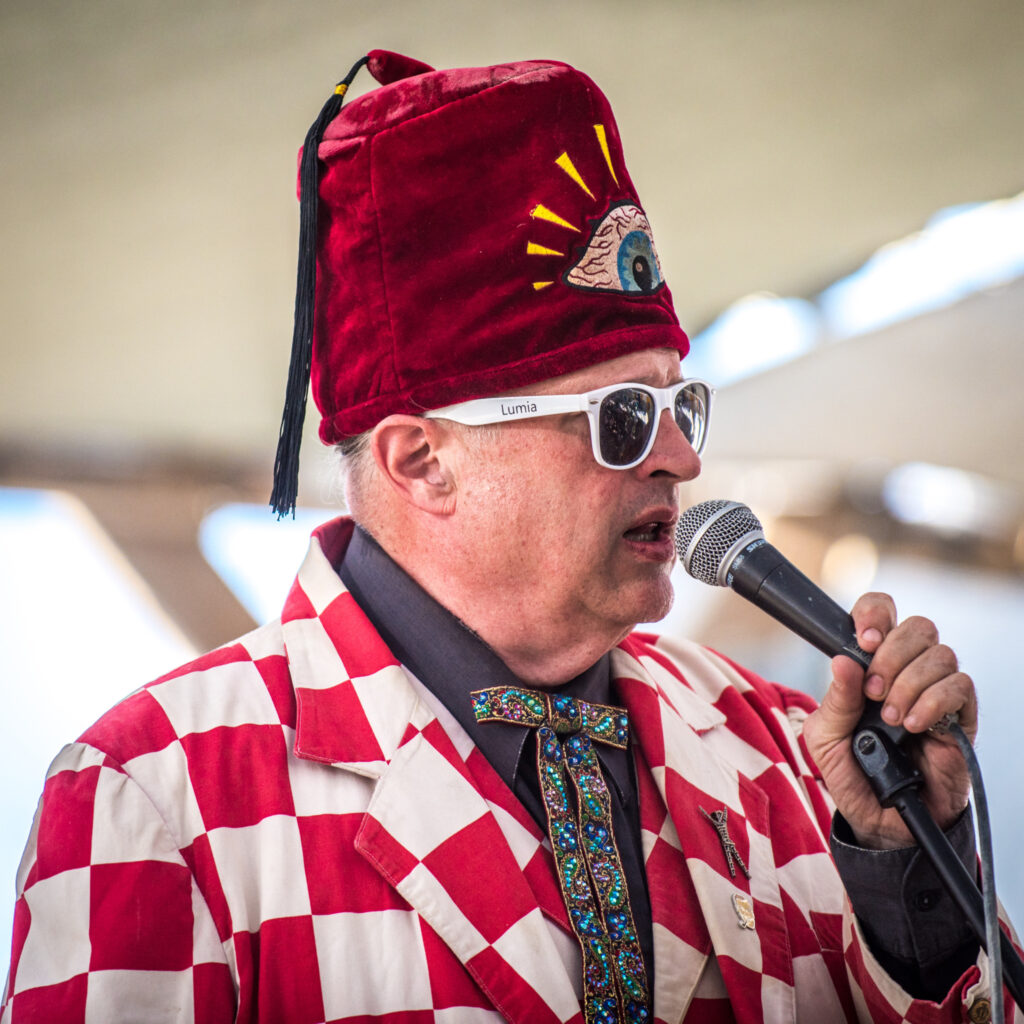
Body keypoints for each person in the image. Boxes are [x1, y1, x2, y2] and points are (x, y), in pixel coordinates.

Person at [0, 50, 1011, 1024]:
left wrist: (907, 879)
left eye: (680, 404)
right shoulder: (155, 795)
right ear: (417, 460)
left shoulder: (797, 748)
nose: (679, 458)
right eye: (620, 415)